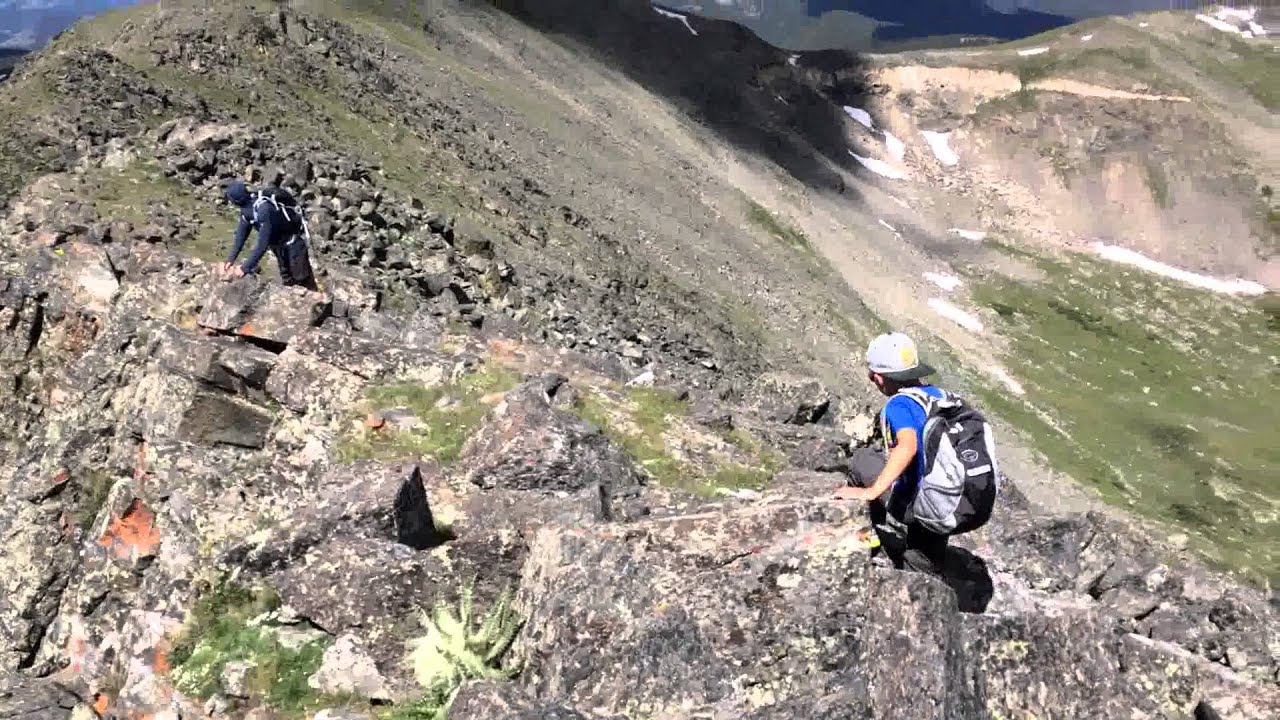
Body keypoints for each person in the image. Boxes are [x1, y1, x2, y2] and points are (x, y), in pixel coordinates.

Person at [835, 331, 950, 575]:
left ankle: (867, 537)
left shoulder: (899, 405)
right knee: (920, 568)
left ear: (879, 377)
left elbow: (908, 446)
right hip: (957, 503)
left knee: (862, 459)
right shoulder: (942, 397)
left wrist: (871, 492)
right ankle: (923, 566)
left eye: (872, 375)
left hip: (922, 504)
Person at [222, 180, 319, 291]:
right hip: (279, 247)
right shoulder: (247, 211)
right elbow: (241, 235)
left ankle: (319, 299)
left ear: (236, 201)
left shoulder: (264, 210)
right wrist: (231, 259)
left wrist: (245, 268)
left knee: (303, 280)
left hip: (293, 244)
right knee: (288, 280)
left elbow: (262, 244)